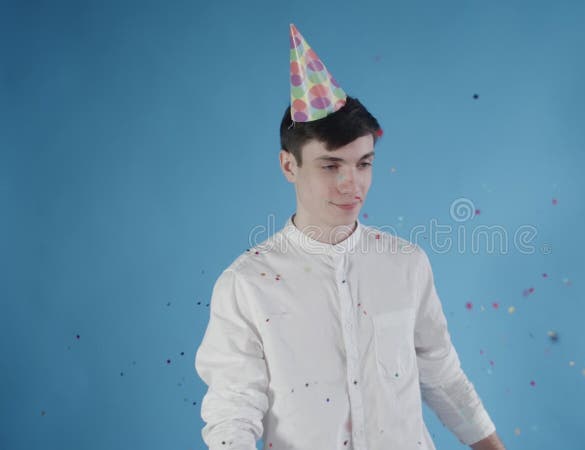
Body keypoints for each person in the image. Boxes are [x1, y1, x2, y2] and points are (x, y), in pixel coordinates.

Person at [195, 24, 505, 450]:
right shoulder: (246, 284)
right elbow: (233, 407)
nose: (351, 184)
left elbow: (441, 374)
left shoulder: (406, 263)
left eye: (363, 164)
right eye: (330, 166)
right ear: (288, 166)